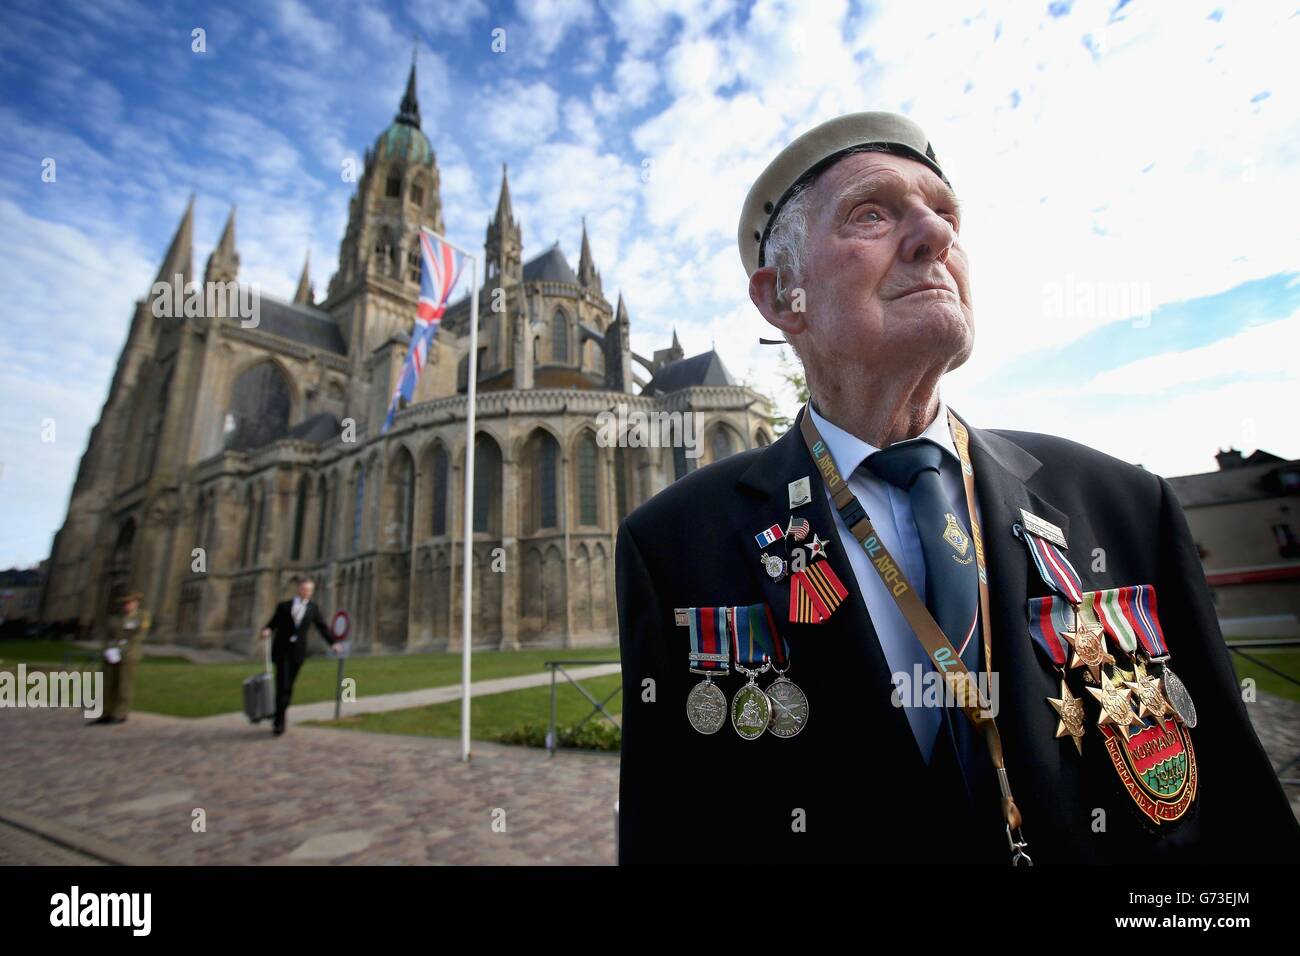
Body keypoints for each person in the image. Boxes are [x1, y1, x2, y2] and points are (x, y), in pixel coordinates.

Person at [614, 112, 1299, 865]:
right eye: (871, 212)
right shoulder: (674, 543)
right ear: (784, 300)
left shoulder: (1125, 504)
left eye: (944, 214)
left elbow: (1246, 820)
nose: (935, 237)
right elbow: (668, 837)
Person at [260, 578, 339, 735]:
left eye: (309, 590)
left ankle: (279, 715)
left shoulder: (312, 608)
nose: (306, 592)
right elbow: (272, 623)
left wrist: (333, 643)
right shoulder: (284, 606)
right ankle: (279, 722)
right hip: (282, 651)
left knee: (289, 686)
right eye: (304, 589)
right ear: (299, 589)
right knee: (282, 685)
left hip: (298, 652)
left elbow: (322, 627)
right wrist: (267, 630)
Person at [94, 591, 150, 724]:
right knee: (108, 684)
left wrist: (120, 650)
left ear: (136, 603)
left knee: (124, 685)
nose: (127, 606)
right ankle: (106, 713)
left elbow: (138, 636)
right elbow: (107, 635)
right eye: (125, 603)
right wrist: (107, 649)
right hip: (111, 654)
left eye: (129, 603)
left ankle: (120, 713)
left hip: (128, 655)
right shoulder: (116, 618)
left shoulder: (142, 617)